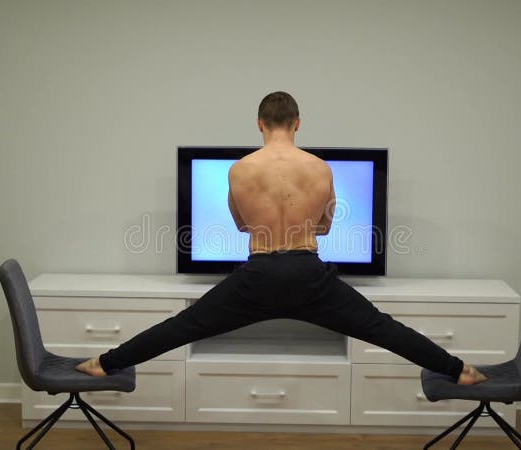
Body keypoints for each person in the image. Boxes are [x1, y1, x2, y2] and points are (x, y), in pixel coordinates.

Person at [76, 91, 487, 385]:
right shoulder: (320, 168)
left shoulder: (239, 170)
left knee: (184, 326)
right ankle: (459, 370)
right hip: (309, 272)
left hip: (258, 272)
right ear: (297, 124)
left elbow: (239, 225)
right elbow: (325, 226)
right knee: (381, 327)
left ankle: (103, 364)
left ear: (259, 124)